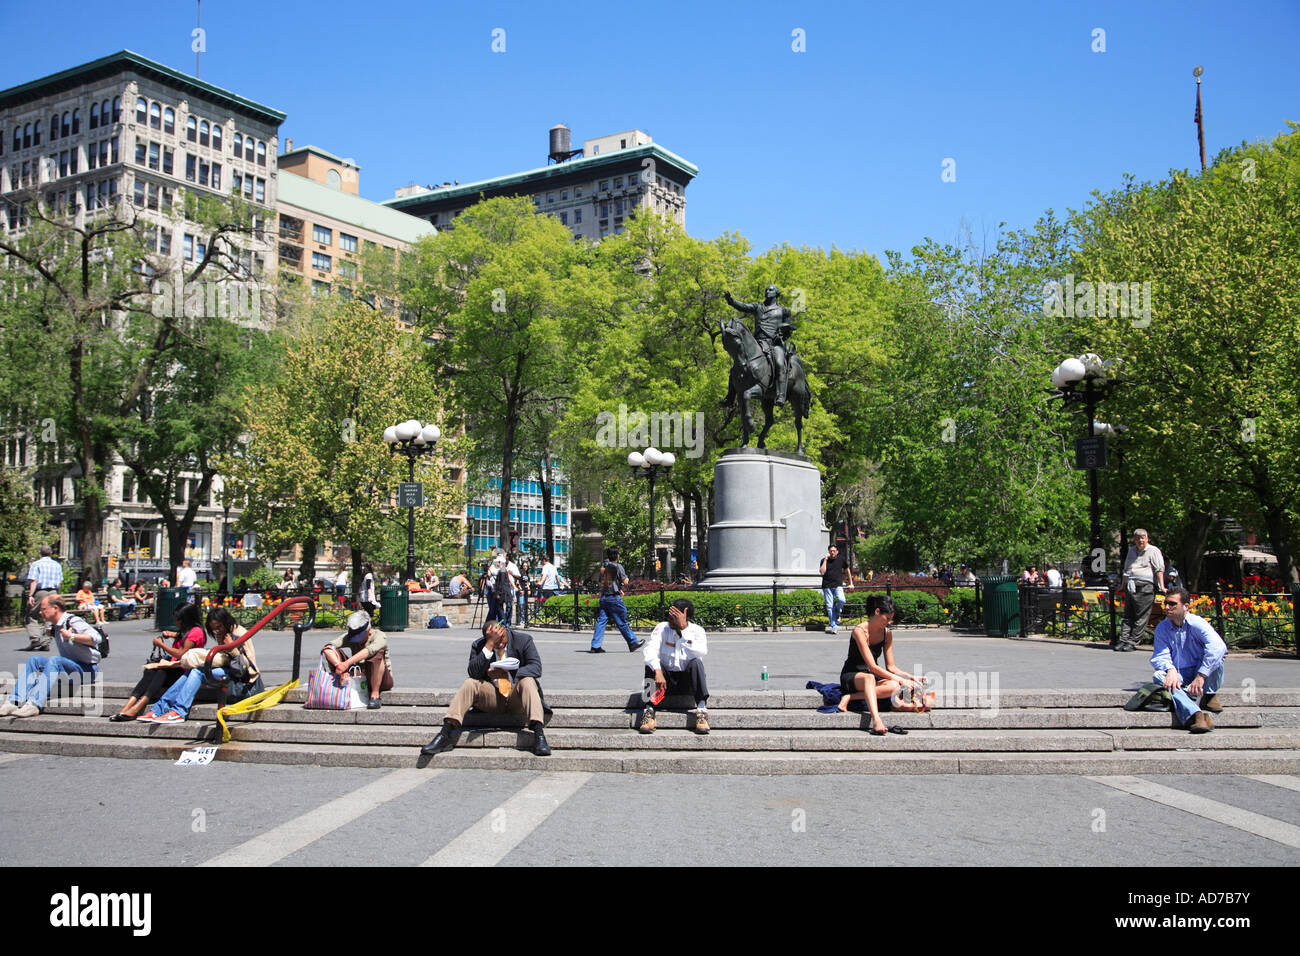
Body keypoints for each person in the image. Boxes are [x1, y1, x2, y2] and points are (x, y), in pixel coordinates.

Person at [420, 619, 550, 757]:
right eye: (496, 641)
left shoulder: (523, 640)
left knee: (529, 681)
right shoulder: (479, 645)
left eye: (502, 639)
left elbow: (536, 668)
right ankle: (445, 734)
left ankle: (539, 735)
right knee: (470, 683)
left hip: (516, 698)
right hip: (492, 698)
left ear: (505, 631)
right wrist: (489, 645)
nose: (500, 644)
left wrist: (507, 673)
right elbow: (473, 672)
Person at [140, 606, 263, 723]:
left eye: (219, 627)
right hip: (228, 670)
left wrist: (233, 650)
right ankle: (160, 708)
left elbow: (245, 668)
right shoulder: (223, 633)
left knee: (198, 672)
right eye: (214, 629)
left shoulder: (239, 634)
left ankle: (179, 710)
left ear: (226, 622)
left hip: (243, 681)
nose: (217, 631)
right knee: (192, 671)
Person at [837, 595, 931, 735]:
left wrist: (911, 677)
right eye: (887, 618)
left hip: (872, 675)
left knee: (896, 687)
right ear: (877, 612)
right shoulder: (859, 631)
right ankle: (876, 720)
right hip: (853, 674)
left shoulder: (887, 634)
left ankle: (851, 697)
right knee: (872, 678)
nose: (889, 622)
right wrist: (900, 679)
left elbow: (891, 667)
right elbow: (873, 666)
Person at [1, 595, 102, 717]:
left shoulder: (73, 621)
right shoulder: (56, 625)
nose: (40, 612)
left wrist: (72, 636)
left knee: (55, 661)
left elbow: (96, 638)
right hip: (70, 668)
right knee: (34, 660)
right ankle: (14, 701)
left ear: (55, 608)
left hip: (87, 670)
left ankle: (34, 704)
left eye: (43, 609)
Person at [107, 602, 206, 721]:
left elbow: (181, 653)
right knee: (150, 671)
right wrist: (171, 634)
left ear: (185, 620)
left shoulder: (196, 632)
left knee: (161, 672)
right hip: (174, 666)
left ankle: (139, 705)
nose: (175, 622)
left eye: (177, 620)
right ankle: (128, 706)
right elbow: (183, 637)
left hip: (184, 671)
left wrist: (161, 645)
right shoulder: (187, 630)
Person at [1149, 587, 1224, 733]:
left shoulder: (1197, 623)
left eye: (1172, 604)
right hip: (1180, 673)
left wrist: (1201, 675)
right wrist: (1170, 670)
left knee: (1217, 659)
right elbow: (1160, 655)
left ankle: (1209, 695)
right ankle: (1197, 714)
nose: (1167, 607)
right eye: (1166, 603)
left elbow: (1218, 647)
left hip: (1199, 672)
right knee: (1159, 676)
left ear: (1186, 606)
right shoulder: (1162, 628)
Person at [639, 598, 710, 735]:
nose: (670, 619)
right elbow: (649, 650)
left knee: (696, 663)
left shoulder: (697, 631)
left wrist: (682, 632)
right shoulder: (662, 628)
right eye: (670, 615)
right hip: (664, 685)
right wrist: (658, 671)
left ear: (686, 617)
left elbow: (701, 651)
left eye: (675, 616)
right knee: (651, 666)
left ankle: (701, 711)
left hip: (688, 683)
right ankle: (649, 711)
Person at [724, 285, 794, 406]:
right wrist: (731, 301)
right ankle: (730, 397)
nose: (767, 291)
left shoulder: (784, 310)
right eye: (766, 289)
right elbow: (743, 306)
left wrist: (784, 332)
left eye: (771, 290)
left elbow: (789, 329)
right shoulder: (758, 307)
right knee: (736, 366)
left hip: (774, 343)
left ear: (777, 293)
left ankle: (781, 395)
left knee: (778, 363)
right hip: (758, 343)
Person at [321, 610, 391, 710]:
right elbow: (328, 648)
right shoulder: (348, 636)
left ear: (368, 630)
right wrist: (339, 665)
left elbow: (369, 650)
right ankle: (340, 681)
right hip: (358, 673)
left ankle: (375, 695)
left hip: (380, 677)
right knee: (335, 651)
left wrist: (347, 663)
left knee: (378, 654)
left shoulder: (380, 636)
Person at [1115, 528, 1165, 652]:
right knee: (1128, 615)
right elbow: (1127, 569)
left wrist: (1162, 586)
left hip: (1145, 586)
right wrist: (1123, 585)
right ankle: (1123, 639)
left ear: (1147, 539)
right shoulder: (1132, 550)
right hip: (1131, 585)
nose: (1140, 540)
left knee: (1141, 616)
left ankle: (1132, 641)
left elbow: (1159, 569)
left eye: (1142, 538)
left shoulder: (1153, 551)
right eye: (1137, 538)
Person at [590, 546, 642, 653]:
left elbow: (604, 582)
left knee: (601, 621)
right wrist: (628, 579)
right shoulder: (618, 566)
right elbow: (626, 581)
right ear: (616, 555)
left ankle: (595, 645)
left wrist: (617, 588)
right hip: (614, 598)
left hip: (604, 597)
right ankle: (632, 642)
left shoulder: (603, 567)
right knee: (622, 621)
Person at [24, 544, 63, 650]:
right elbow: (60, 582)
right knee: (50, 616)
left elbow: (34, 581)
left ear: (40, 553)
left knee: (31, 614)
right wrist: (57, 594)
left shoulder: (36, 564)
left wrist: (31, 595)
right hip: (54, 592)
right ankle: (46, 642)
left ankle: (35, 639)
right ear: (51, 553)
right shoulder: (57, 565)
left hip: (41, 592)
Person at [819, 544, 853, 635]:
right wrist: (825, 560)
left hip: (838, 585)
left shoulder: (841, 559)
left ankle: (837, 612)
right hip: (827, 586)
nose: (832, 552)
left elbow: (847, 570)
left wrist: (851, 583)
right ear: (828, 552)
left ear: (837, 552)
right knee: (829, 606)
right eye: (831, 551)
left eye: (834, 551)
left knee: (842, 599)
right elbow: (822, 572)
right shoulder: (823, 560)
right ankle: (834, 625)